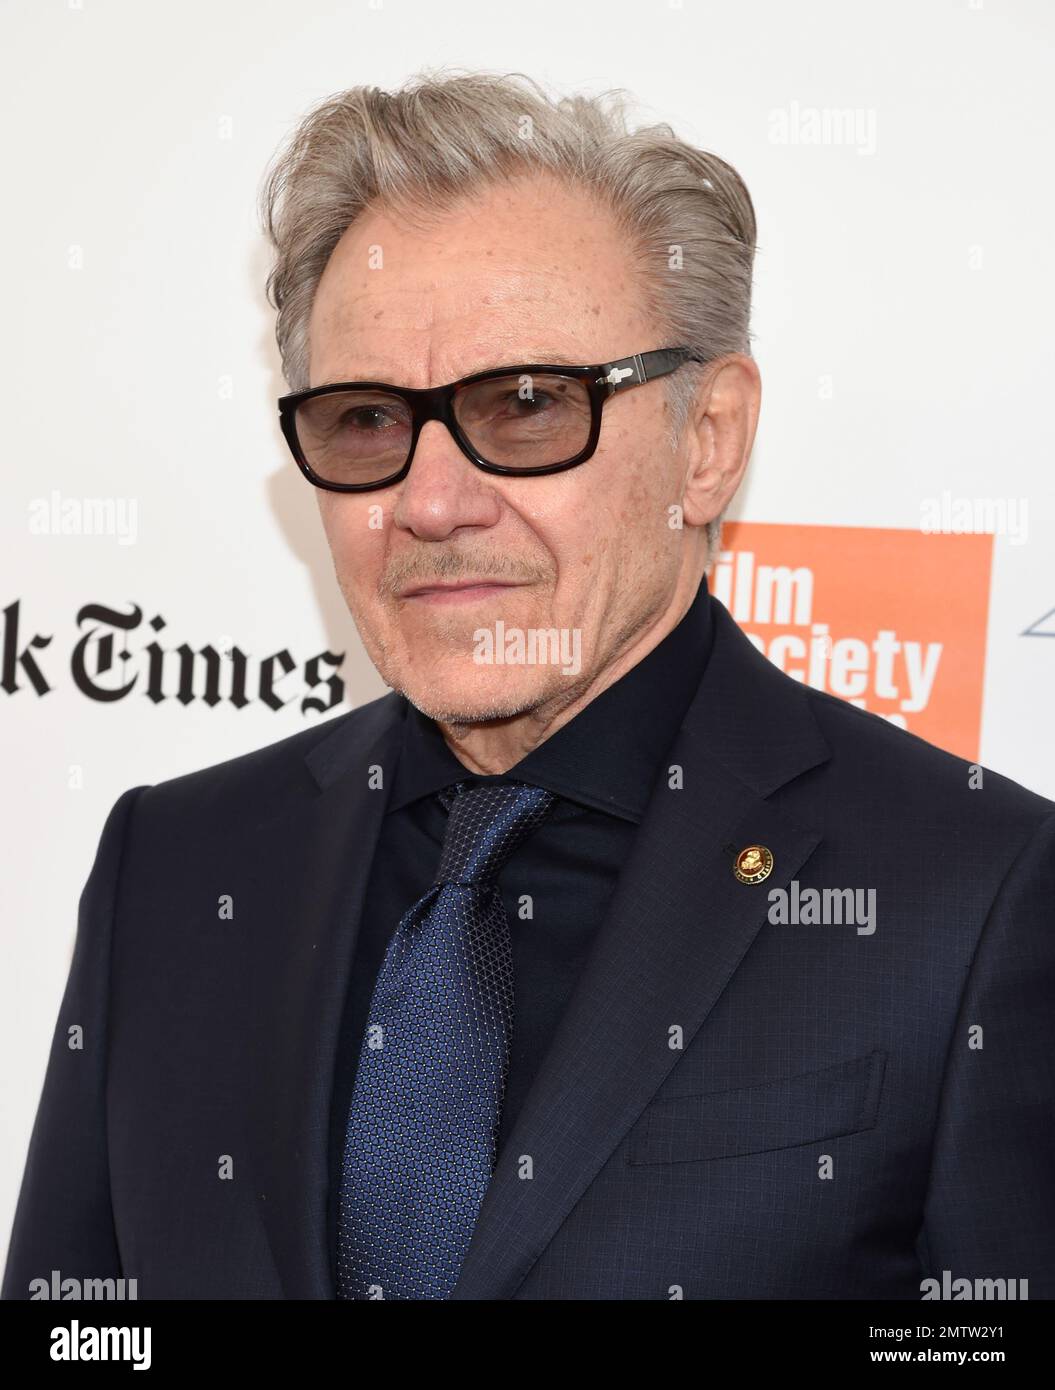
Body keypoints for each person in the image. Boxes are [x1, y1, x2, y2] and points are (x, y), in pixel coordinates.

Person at [4, 71, 1053, 1301]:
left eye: (524, 405)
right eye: (364, 420)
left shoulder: (971, 892)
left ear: (705, 440)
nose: (432, 503)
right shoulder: (177, 865)